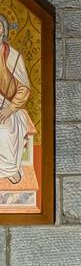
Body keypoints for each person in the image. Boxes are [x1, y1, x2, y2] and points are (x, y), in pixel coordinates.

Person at [0, 15, 34, 185]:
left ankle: (9, 169)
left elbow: (24, 89)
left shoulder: (14, 57)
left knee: (4, 130)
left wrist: (10, 108)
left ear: (3, 31)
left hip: (8, 104)